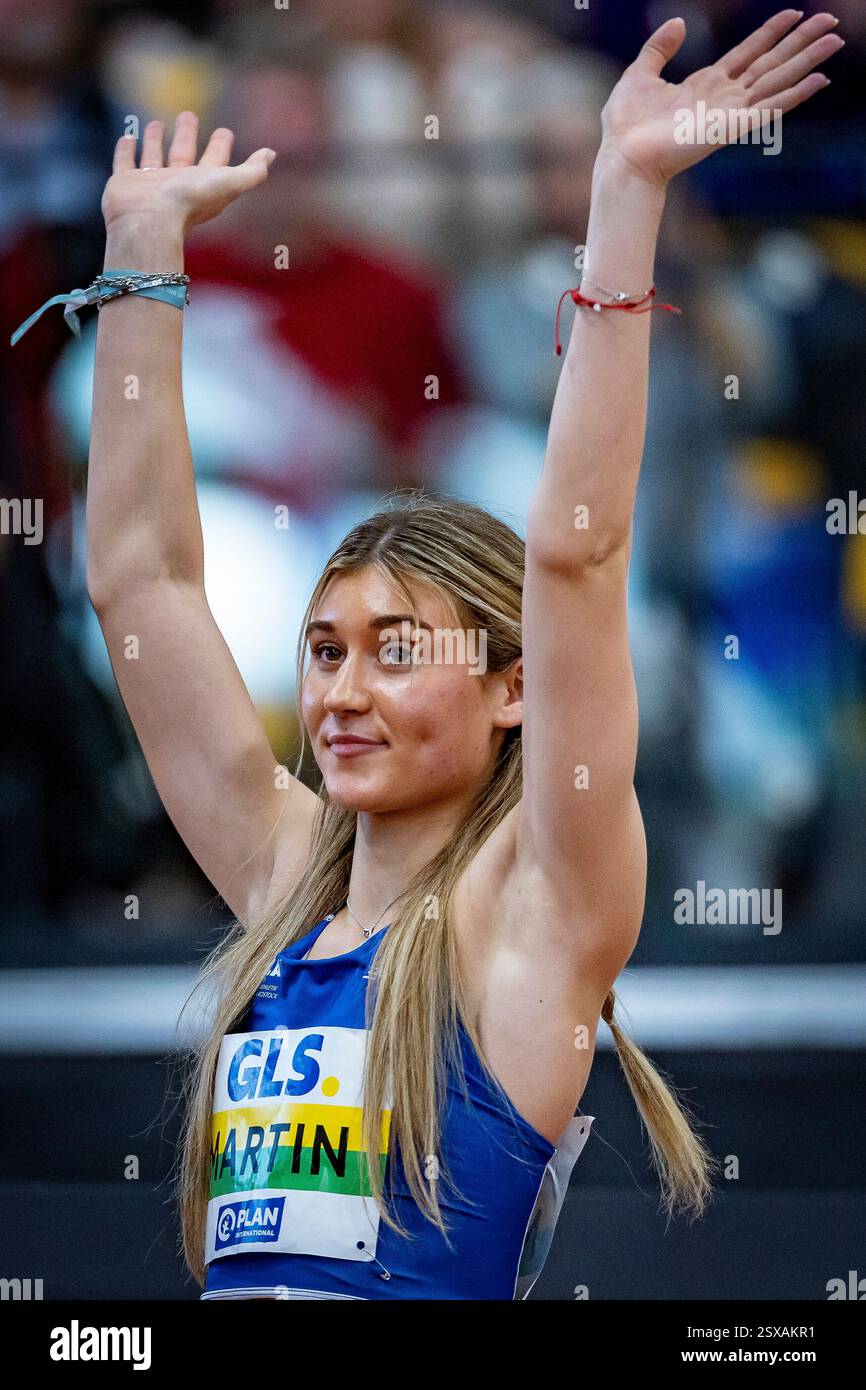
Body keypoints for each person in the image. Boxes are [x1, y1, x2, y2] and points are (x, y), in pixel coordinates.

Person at [79, 10, 840, 1299]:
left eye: (392, 650)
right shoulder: (283, 888)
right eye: (323, 651)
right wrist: (144, 261)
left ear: (513, 691)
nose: (341, 692)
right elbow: (138, 578)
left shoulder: (539, 913)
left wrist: (623, 195)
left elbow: (579, 558)